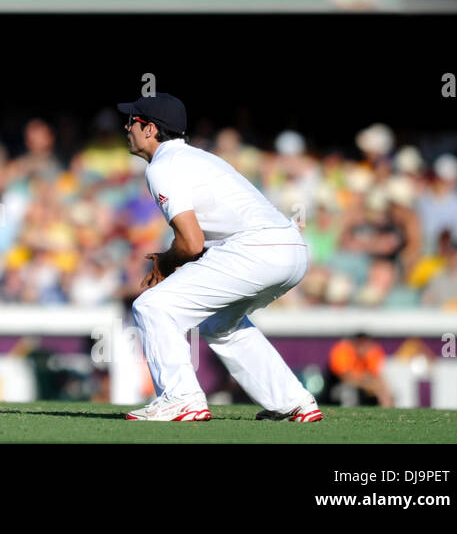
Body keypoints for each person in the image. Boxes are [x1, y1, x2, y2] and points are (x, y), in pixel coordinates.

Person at [119, 92, 323, 422]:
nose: (126, 127)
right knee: (220, 324)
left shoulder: (162, 166)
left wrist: (165, 263)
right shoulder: (200, 157)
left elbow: (192, 242)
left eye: (132, 121)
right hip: (290, 248)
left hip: (255, 250)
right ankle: (291, 401)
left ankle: (181, 398)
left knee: (151, 306)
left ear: (149, 129)